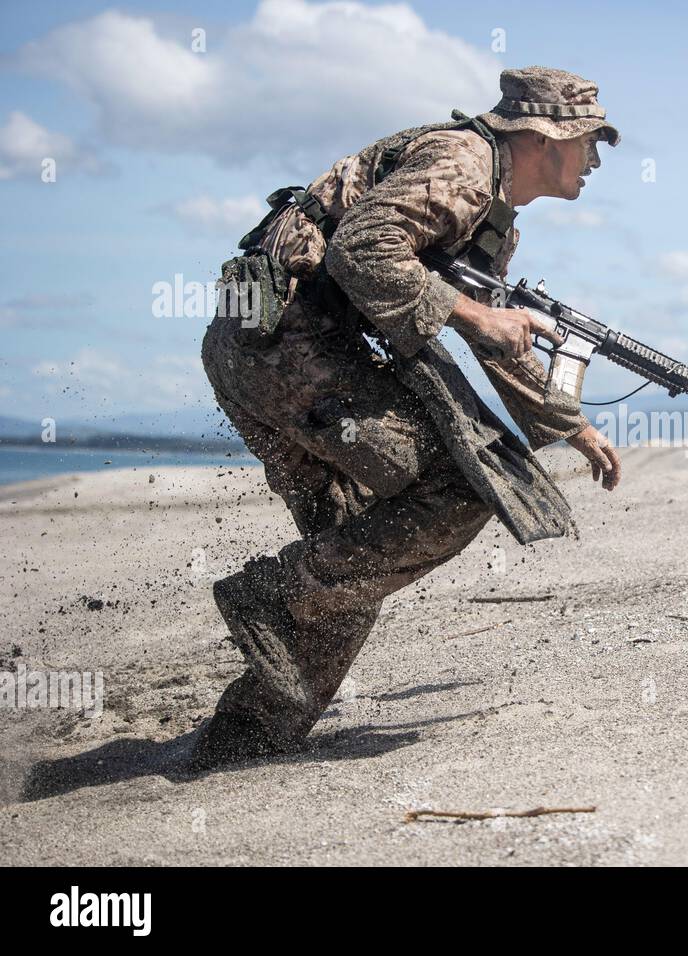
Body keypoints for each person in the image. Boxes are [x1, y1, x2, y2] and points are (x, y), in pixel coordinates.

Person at [190, 67, 622, 770]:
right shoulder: (464, 165)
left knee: (354, 558)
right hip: (292, 354)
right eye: (589, 141)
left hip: (267, 354)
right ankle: (265, 596)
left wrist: (571, 425)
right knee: (458, 489)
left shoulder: (490, 208)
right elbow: (363, 250)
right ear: (544, 137)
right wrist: (478, 313)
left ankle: (245, 736)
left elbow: (489, 333)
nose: (596, 159)